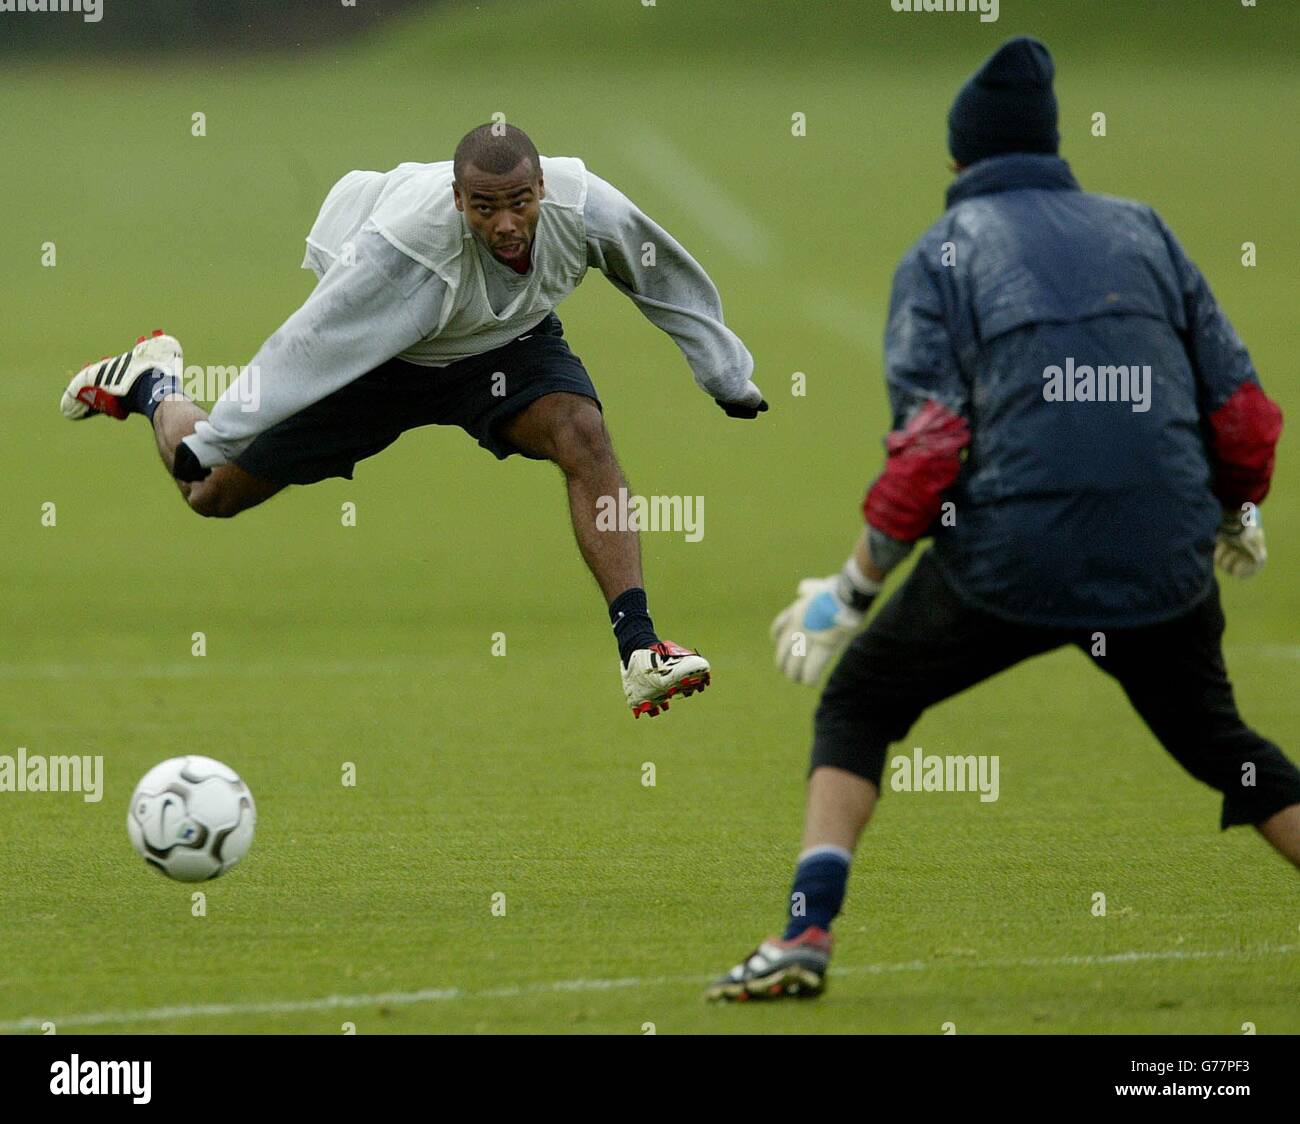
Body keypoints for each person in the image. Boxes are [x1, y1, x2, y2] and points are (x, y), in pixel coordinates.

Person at [709, 36, 1295, 1002]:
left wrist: (848, 592)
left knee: (860, 704)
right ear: (1055, 148)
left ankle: (806, 935)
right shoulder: (1143, 229)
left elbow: (932, 448)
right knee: (1226, 751)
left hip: (1011, 557)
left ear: (957, 163)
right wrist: (1236, 507)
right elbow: (1244, 412)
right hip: (1163, 554)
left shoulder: (942, 254)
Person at [60, 123, 767, 719]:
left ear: (542, 189)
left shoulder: (585, 205)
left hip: (506, 344)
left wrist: (724, 374)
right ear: (458, 200)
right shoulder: (401, 251)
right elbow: (304, 347)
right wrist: (210, 444)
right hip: (385, 354)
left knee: (582, 436)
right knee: (211, 494)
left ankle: (639, 650)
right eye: (485, 208)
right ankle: (153, 381)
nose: (506, 224)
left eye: (520, 203)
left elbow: (659, 272)